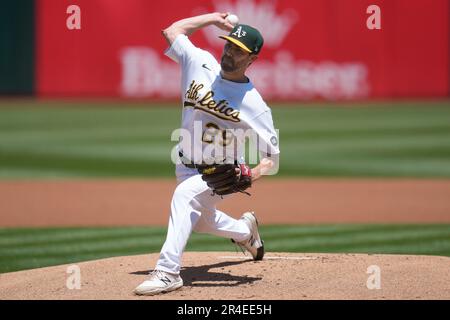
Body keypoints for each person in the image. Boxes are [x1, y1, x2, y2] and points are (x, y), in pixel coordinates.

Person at [134, 12, 280, 296]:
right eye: (228, 45)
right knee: (200, 221)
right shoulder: (200, 62)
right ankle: (245, 231)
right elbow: (172, 30)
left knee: (185, 196)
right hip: (185, 164)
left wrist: (251, 173)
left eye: (239, 52)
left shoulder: (254, 104)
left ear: (252, 60)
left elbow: (271, 159)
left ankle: (167, 273)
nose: (230, 53)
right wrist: (213, 19)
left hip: (220, 171)